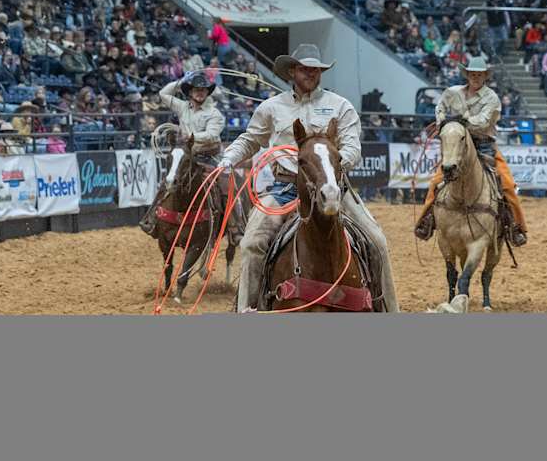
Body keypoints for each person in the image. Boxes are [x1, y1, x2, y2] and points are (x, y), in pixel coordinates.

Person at [217, 44, 400, 312]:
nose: (311, 73)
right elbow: (250, 139)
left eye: (316, 69)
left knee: (377, 242)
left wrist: (328, 165)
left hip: (332, 188)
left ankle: (389, 311)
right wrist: (229, 158)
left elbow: (352, 148)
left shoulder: (340, 106)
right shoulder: (272, 107)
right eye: (305, 68)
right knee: (252, 243)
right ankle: (248, 310)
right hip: (285, 189)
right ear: (292, 71)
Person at [412, 56, 528, 249]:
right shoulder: (452, 92)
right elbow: (440, 108)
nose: (475, 77)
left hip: (483, 145)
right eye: (472, 74)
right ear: (467, 75)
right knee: (436, 183)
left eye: (479, 74)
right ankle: (427, 220)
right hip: (457, 145)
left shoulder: (491, 98)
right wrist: (443, 121)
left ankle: (516, 227)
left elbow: (483, 122)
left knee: (507, 185)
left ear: (485, 76)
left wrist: (461, 121)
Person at [139, 71, 225, 234]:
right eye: (196, 89)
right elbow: (164, 94)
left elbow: (212, 135)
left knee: (223, 185)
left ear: (207, 93)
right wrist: (181, 81)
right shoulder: (183, 107)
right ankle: (152, 219)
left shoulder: (214, 114)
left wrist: (192, 136)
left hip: (209, 156)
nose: (200, 93)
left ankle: (234, 226)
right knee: (169, 181)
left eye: (203, 90)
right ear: (190, 92)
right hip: (187, 156)